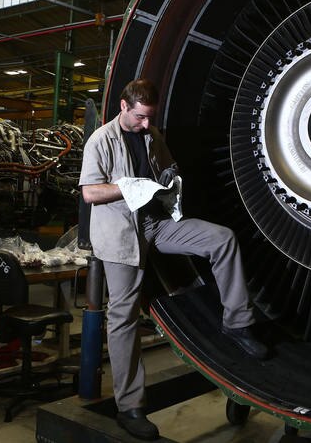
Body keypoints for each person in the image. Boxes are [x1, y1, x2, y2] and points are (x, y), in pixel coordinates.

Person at [79, 78, 267, 441]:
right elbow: (89, 193)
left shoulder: (153, 135)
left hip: (155, 224)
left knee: (221, 239)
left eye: (150, 118)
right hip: (121, 235)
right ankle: (130, 406)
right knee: (123, 316)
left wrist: (169, 179)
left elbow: (170, 167)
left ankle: (237, 322)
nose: (146, 125)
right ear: (123, 107)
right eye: (140, 118)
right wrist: (127, 187)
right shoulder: (101, 140)